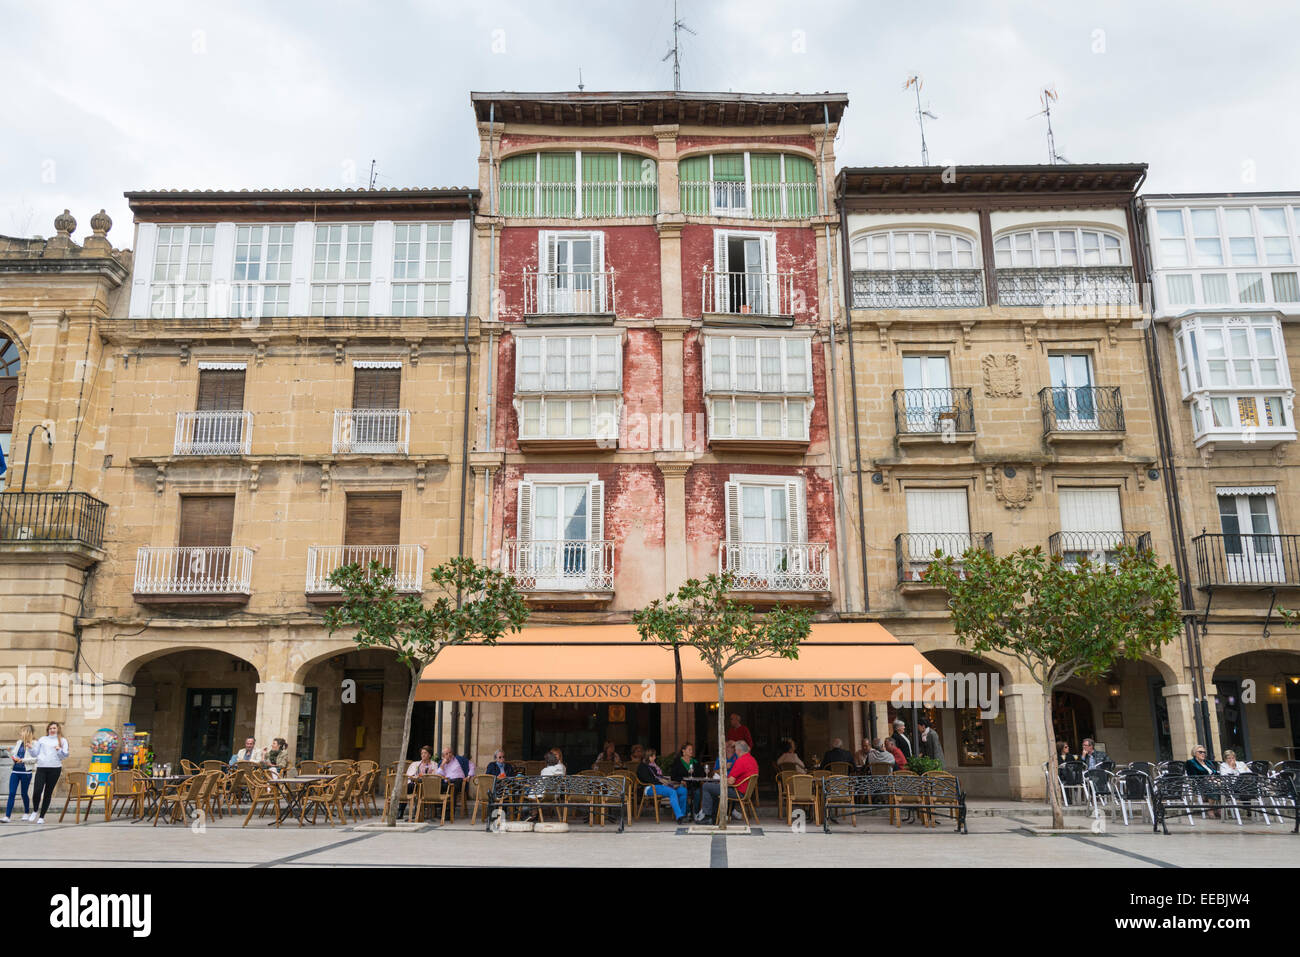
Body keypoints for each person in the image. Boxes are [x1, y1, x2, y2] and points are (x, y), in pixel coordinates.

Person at [699, 739, 758, 823]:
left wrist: (721, 781)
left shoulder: (741, 761)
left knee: (706, 786)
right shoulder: (752, 760)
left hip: (737, 792)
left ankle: (707, 816)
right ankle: (714, 817)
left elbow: (730, 781)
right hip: (746, 793)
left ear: (738, 750)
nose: (735, 751)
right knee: (714, 789)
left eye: (735, 749)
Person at [636, 748, 691, 824]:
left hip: (661, 786)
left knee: (682, 790)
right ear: (649, 757)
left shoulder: (654, 766)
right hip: (650, 788)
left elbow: (660, 777)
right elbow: (647, 779)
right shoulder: (642, 766)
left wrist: (668, 783)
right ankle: (679, 817)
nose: (655, 757)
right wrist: (663, 783)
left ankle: (682, 814)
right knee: (672, 792)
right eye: (654, 756)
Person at [29, 722, 68, 824]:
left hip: (55, 769)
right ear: (48, 729)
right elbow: (35, 753)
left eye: (54, 728)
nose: (52, 730)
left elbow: (64, 756)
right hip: (42, 768)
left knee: (48, 793)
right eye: (50, 728)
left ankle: (42, 816)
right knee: (37, 791)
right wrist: (30, 748)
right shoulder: (42, 739)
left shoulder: (62, 740)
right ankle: (35, 810)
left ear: (58, 729)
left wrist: (59, 750)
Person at [3, 725, 35, 822]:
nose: (20, 733)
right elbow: (15, 755)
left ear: (27, 732)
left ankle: (26, 813)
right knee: (12, 793)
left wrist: (23, 760)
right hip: (15, 771)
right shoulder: (19, 742)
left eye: (22, 731)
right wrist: (9, 752)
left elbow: (35, 759)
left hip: (26, 772)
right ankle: (7, 816)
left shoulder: (34, 744)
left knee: (24, 793)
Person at [401, 745, 437, 820]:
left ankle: (417, 812)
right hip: (416, 784)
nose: (423, 755)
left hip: (428, 786)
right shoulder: (415, 764)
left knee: (418, 788)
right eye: (422, 753)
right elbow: (409, 775)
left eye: (425, 753)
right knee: (408, 786)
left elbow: (436, 776)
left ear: (429, 755)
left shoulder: (434, 765)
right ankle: (401, 810)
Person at [668, 743, 703, 816]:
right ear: (683, 751)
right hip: (682, 785)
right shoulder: (677, 761)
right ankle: (688, 812)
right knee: (683, 792)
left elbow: (701, 774)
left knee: (698, 793)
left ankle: (695, 813)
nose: (691, 751)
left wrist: (694, 772)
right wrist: (681, 780)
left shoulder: (695, 761)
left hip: (694, 785)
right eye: (689, 750)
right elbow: (673, 776)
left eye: (692, 750)